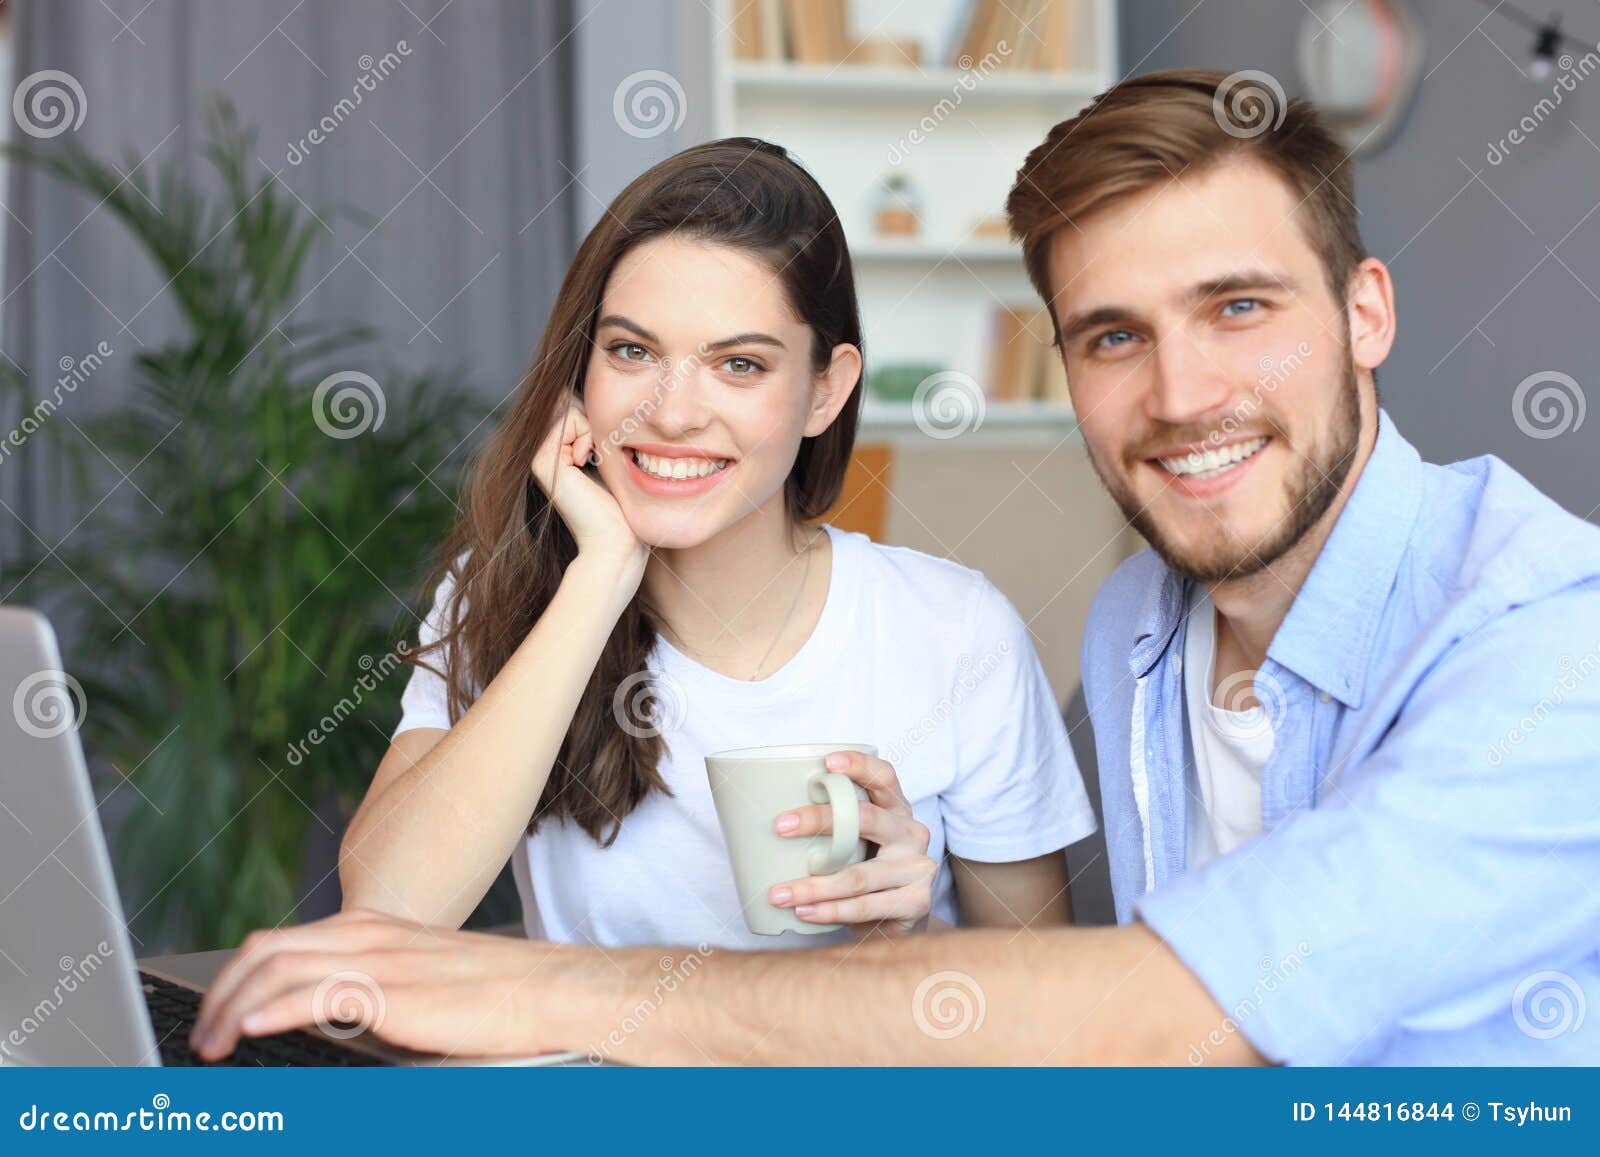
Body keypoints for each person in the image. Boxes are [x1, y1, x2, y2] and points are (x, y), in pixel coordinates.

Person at [191, 70, 1600, 1067]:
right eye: (1114, 336)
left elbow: (1152, 1013)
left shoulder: (1555, 645)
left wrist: (553, 989)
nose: (1181, 392)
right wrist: (597, 574)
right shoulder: (1143, 627)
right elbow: (1080, 1027)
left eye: (1238, 307)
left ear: (1367, 312)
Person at [324, 137, 1094, 955]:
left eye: (738, 364)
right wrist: (600, 577)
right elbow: (385, 913)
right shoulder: (511, 590)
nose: (673, 413)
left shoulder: (957, 631)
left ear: (824, 390)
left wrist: (905, 936)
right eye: (631, 350)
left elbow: (1043, 1024)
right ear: (579, 373)